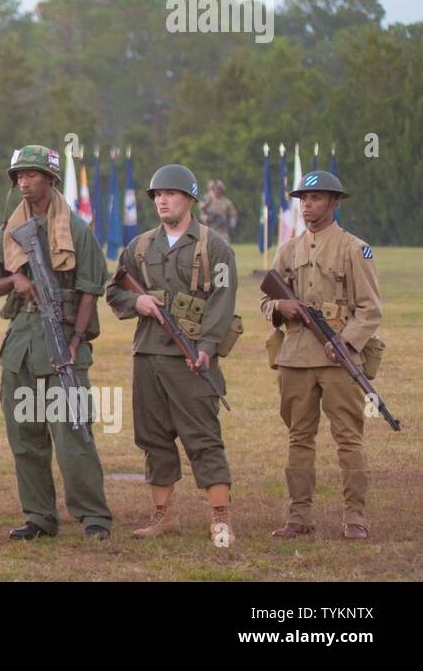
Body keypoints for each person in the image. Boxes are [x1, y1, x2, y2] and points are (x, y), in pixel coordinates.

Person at [105, 164, 239, 546]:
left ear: (189, 199)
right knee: (152, 435)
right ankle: (164, 515)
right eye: (157, 195)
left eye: (171, 193)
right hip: (148, 352)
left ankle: (221, 517)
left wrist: (207, 348)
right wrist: (139, 301)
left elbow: (222, 301)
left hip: (191, 356)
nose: (162, 200)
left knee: (202, 436)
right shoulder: (139, 246)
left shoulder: (214, 246)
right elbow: (113, 291)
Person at [0, 145, 113, 540]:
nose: (24, 182)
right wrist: (17, 281)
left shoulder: (75, 230)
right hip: (21, 346)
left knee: (73, 434)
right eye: (19, 176)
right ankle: (39, 516)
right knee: (25, 438)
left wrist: (76, 340)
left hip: (63, 344)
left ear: (51, 180)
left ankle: (93, 517)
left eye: (32, 175)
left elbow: (91, 290)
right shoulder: (9, 230)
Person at [260, 170, 384, 541]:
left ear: (333, 202)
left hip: (339, 360)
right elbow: (267, 302)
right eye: (303, 199)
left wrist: (345, 342)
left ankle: (356, 518)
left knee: (348, 438)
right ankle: (299, 517)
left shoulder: (353, 248)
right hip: (295, 356)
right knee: (298, 437)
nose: (307, 205)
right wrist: (282, 305)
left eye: (315, 198)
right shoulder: (288, 249)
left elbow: (370, 309)